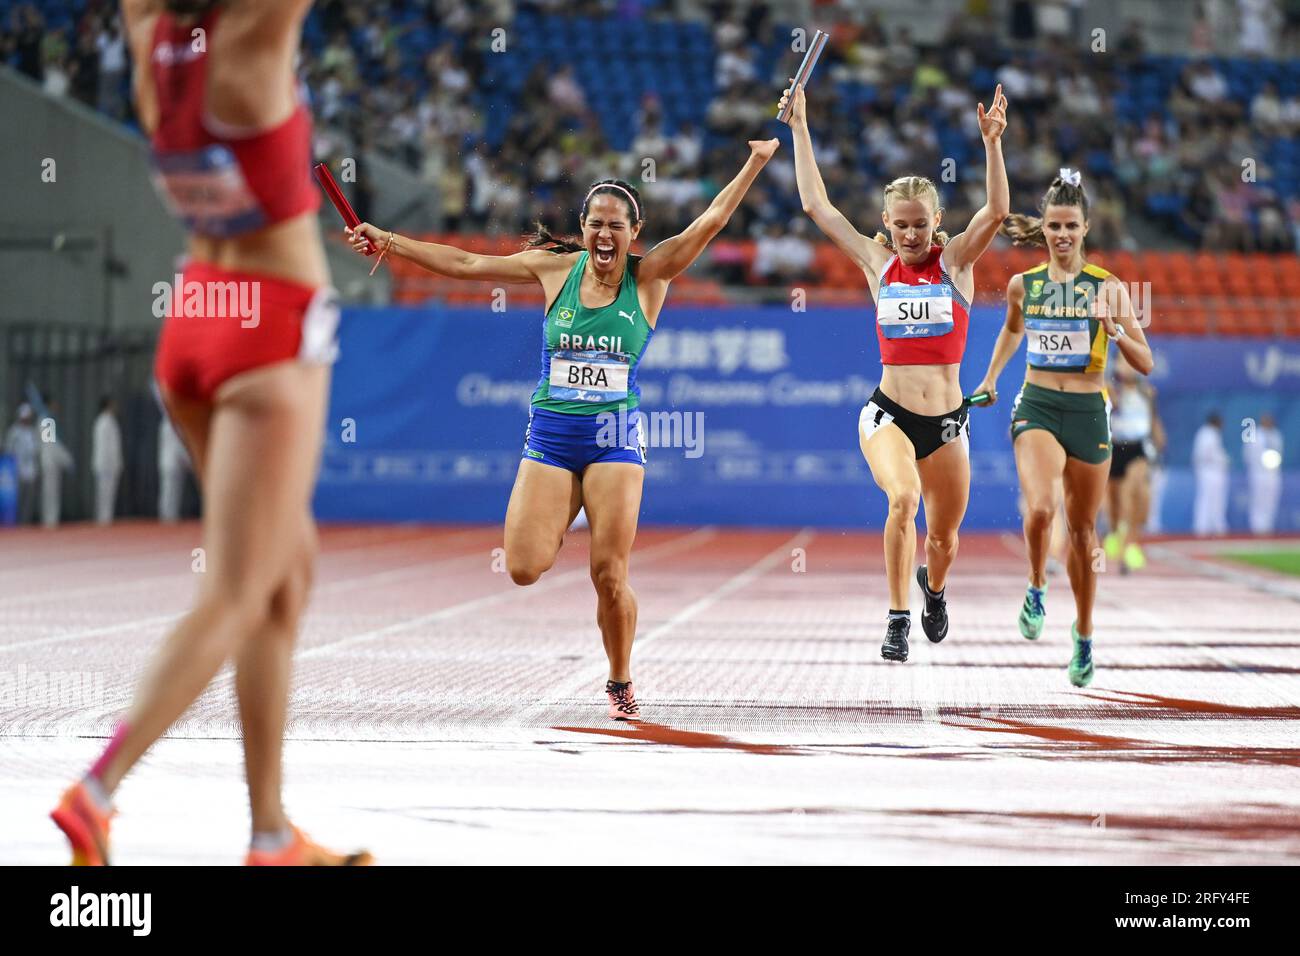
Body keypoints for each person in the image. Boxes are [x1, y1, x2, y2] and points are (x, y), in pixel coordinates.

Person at [51, 0, 369, 867]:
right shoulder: (256, 34)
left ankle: (272, 834)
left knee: (283, 572)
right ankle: (98, 791)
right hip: (271, 329)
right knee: (235, 589)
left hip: (193, 320)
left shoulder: (149, 30)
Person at [348, 142, 780, 721]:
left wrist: (754, 161)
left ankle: (620, 678)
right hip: (551, 434)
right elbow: (467, 265)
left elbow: (712, 221)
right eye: (596, 224)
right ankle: (561, 514)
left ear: (635, 232)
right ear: (582, 229)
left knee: (608, 572)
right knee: (524, 567)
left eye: (617, 227)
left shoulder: (651, 277)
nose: (606, 235)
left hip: (614, 435)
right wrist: (389, 241)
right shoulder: (555, 269)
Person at [780, 78, 1010, 663]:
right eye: (901, 224)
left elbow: (999, 211)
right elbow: (816, 206)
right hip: (888, 414)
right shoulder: (877, 263)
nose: (910, 235)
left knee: (943, 537)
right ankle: (897, 617)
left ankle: (932, 590)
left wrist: (991, 143)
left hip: (949, 423)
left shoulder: (955, 263)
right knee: (903, 500)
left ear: (937, 222)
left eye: (920, 225)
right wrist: (801, 124)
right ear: (886, 221)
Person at [974, 170, 1154, 687]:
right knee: (1040, 508)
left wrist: (1116, 331)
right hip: (1037, 405)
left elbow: (1147, 362)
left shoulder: (1110, 288)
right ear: (1045, 228)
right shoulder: (1022, 286)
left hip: (1089, 413)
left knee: (1082, 532)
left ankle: (1084, 634)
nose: (1061, 235)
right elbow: (1011, 333)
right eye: (1053, 225)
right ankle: (1035, 585)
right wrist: (989, 378)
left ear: (1086, 228)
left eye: (1071, 226)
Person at [1103, 358, 1164, 572]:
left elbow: (1153, 417)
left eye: (1131, 364)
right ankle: (1115, 530)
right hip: (1115, 446)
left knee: (1135, 491)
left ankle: (1130, 545)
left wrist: (1159, 436)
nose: (1128, 368)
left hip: (1138, 447)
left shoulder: (1146, 392)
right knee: (1113, 502)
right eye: (1123, 363)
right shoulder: (1111, 388)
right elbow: (1112, 406)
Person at [1192, 412, 1230, 536]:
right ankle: (1202, 527)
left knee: (1215, 500)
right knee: (1207, 500)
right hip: (1209, 471)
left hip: (1212, 471)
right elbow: (1205, 454)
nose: (1223, 425)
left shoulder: (1210, 434)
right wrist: (1222, 460)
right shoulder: (1207, 434)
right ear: (1216, 422)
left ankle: (1215, 526)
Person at [1245, 412, 1283, 535]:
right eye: (1265, 420)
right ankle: (1257, 528)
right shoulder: (1254, 435)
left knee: (1271, 501)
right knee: (1258, 501)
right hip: (1259, 473)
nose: (1268, 422)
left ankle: (1268, 527)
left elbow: (1279, 452)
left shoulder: (1276, 435)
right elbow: (1248, 455)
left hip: (1273, 473)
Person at [38, 401, 74, 529]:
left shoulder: (47, 420)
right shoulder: (46, 421)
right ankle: (49, 521)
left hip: (52, 462)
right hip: (50, 462)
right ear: (49, 405)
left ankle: (51, 520)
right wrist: (66, 459)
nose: (56, 407)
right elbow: (51, 446)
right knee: (50, 493)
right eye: (54, 405)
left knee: (52, 493)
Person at [3, 403, 39, 525]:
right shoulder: (14, 432)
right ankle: (16, 522)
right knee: (18, 498)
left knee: (29, 499)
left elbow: (36, 449)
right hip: (17, 469)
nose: (26, 420)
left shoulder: (32, 432)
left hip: (31, 469)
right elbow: (8, 450)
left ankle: (26, 522)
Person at [92, 396, 124, 526]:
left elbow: (115, 446)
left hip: (111, 463)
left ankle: (106, 518)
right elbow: (105, 446)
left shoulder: (111, 421)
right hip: (105, 463)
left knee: (109, 493)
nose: (116, 407)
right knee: (103, 493)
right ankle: (103, 519)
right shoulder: (103, 422)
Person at [157, 411, 190, 523]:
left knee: (171, 491)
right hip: (173, 462)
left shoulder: (166, 424)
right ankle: (168, 516)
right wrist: (187, 461)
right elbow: (178, 446)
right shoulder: (172, 425)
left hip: (171, 462)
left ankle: (169, 515)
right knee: (170, 491)